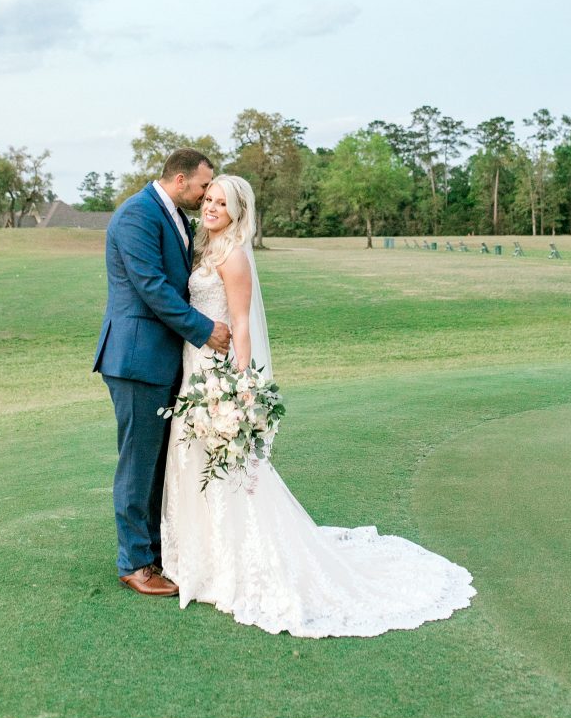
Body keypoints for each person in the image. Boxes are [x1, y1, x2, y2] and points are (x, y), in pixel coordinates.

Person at [160, 174, 476, 635]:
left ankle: (234, 565)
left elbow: (242, 324)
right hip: (194, 368)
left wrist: (241, 386)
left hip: (218, 373)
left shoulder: (234, 256)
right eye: (208, 198)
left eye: (221, 203)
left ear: (237, 212)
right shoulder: (206, 249)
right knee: (194, 460)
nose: (210, 207)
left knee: (227, 469)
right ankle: (199, 558)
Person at [93, 149, 230, 596]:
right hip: (137, 358)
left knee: (156, 464)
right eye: (203, 186)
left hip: (163, 358)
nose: (206, 194)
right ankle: (134, 563)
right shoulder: (137, 215)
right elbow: (151, 287)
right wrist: (204, 330)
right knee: (138, 464)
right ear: (179, 180)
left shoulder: (175, 216)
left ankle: (155, 552)